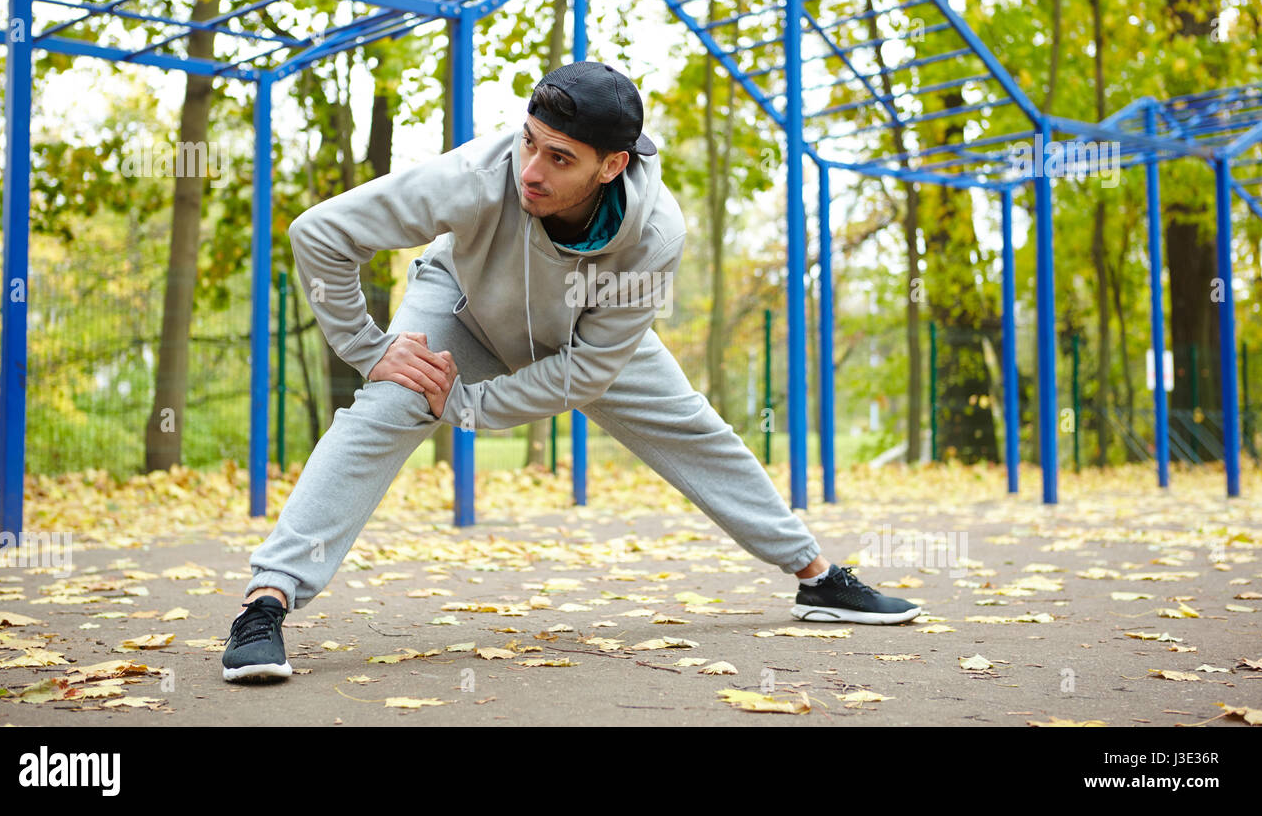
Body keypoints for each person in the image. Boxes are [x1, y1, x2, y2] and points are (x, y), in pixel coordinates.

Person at [221, 61, 920, 683]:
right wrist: (372, 350)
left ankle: (816, 577)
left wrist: (466, 406)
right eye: (528, 140)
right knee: (385, 406)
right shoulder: (477, 175)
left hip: (588, 334)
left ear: (611, 166)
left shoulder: (655, 236)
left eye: (559, 157)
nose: (531, 169)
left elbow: (584, 372)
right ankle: (267, 602)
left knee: (694, 427)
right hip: (462, 302)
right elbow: (320, 231)